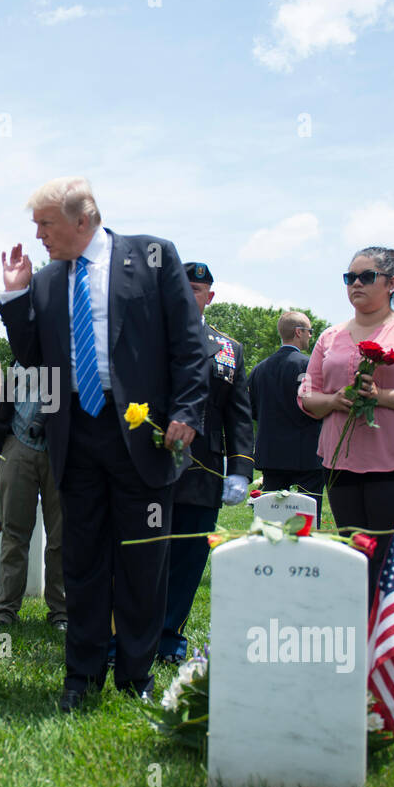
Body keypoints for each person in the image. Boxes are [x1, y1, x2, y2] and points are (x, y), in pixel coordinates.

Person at [0, 177, 208, 710]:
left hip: (141, 431)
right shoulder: (45, 280)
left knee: (143, 557)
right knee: (82, 559)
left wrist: (186, 411)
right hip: (76, 434)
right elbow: (30, 358)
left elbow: (188, 342)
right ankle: (81, 676)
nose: (39, 235)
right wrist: (16, 295)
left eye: (46, 224)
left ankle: (136, 675)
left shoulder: (154, 257)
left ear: (82, 219)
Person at [299, 247, 394, 594]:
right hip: (341, 463)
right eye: (349, 278)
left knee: (391, 560)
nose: (355, 283)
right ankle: (361, 641)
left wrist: (381, 398)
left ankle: (393, 646)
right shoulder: (329, 336)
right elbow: (307, 395)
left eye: (366, 277)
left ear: (392, 283)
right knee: (355, 558)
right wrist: (334, 400)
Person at [157, 261, 253, 664]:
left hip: (204, 470)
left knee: (188, 559)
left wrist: (241, 470)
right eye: (183, 286)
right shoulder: (147, 337)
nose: (190, 293)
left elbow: (239, 414)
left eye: (198, 289)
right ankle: (121, 639)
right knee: (141, 557)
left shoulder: (228, 348)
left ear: (209, 297)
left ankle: (168, 638)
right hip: (152, 464)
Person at [0, 370, 66, 629]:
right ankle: (5, 609)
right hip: (18, 442)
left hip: (61, 447)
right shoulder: (22, 356)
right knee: (14, 534)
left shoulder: (71, 347)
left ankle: (62, 611)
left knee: (61, 537)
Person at [248, 309, 324, 524]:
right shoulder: (310, 366)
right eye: (309, 331)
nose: (311, 335)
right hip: (307, 454)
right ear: (299, 332)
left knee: (270, 519)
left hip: (271, 454)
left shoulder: (259, 370)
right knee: (307, 521)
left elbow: (252, 410)